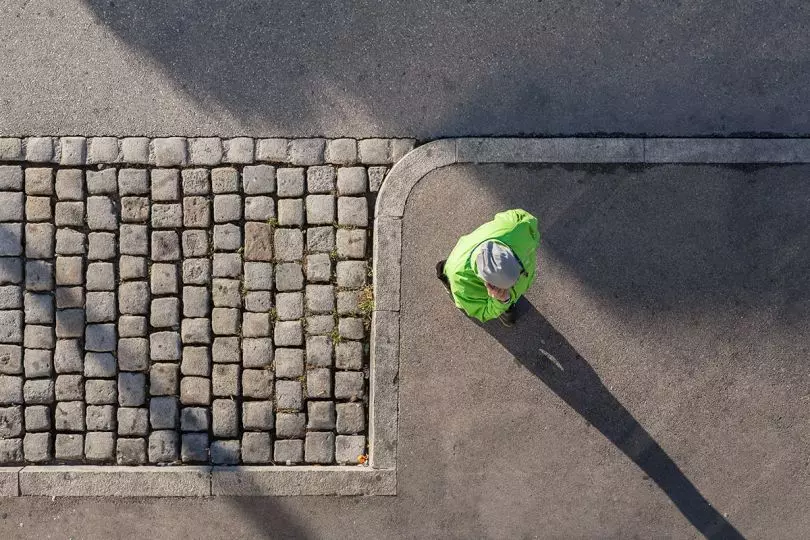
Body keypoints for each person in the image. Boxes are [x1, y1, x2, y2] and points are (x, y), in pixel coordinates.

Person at [436, 209, 540, 326]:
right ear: (488, 284)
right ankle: (447, 278)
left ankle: (506, 307)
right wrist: (502, 300)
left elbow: (526, 223)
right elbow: (483, 311)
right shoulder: (461, 282)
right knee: (499, 304)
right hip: (457, 267)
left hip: (462, 256)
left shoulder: (514, 226)